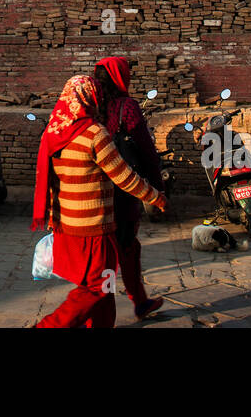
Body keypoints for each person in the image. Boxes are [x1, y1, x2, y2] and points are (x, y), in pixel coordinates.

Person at [32, 74, 165, 328]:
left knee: (102, 284)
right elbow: (124, 177)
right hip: (93, 229)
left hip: (65, 227)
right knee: (98, 288)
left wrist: (51, 216)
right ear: (90, 98)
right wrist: (156, 197)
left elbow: (48, 181)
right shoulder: (94, 133)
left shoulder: (54, 131)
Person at [93, 57, 165, 320]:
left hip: (92, 194)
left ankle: (134, 302)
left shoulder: (90, 107)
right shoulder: (127, 107)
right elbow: (147, 152)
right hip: (123, 193)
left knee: (107, 254)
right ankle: (113, 309)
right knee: (125, 249)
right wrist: (158, 189)